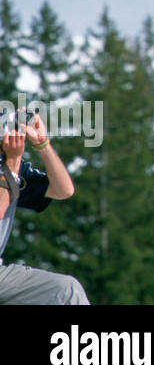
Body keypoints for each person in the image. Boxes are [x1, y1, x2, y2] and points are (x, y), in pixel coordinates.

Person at [0, 110, 88, 304]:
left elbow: (63, 190)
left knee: (66, 291)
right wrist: (12, 165)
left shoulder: (8, 165)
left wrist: (42, 144)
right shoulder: (10, 166)